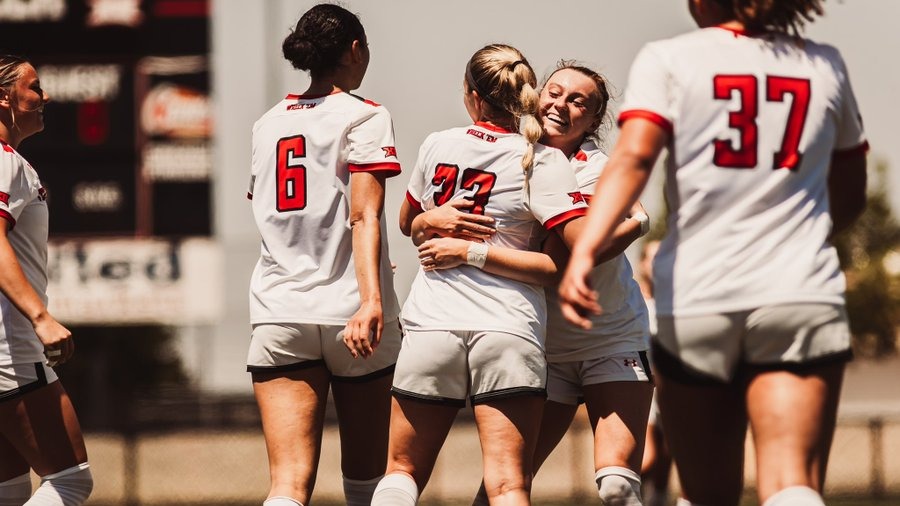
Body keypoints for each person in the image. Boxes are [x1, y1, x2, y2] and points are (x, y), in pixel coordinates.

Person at [559, 1, 868, 505]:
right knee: (793, 482)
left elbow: (634, 156)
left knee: (707, 494)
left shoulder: (669, 58)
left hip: (699, 296)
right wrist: (797, 239)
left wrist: (586, 248)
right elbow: (850, 194)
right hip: (798, 290)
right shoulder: (823, 62)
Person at [420, 62, 654, 505]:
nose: (560, 105)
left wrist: (470, 252)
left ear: (594, 120)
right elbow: (421, 218)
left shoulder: (596, 170)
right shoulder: (514, 156)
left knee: (619, 486)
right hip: (544, 345)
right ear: (534, 95)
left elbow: (565, 264)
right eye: (554, 92)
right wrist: (424, 222)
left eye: (578, 100)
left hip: (611, 338)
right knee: (504, 486)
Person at [371, 44, 589, 506]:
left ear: (472, 95)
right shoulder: (542, 159)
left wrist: (444, 231)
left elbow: (407, 221)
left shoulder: (437, 143)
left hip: (432, 322)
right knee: (509, 483)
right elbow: (560, 267)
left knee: (401, 472)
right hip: (508, 326)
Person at [245, 5, 402, 506]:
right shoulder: (365, 114)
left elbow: (287, 216)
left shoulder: (267, 123)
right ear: (354, 49)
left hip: (278, 309)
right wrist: (372, 297)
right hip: (349, 313)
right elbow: (363, 217)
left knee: (287, 485)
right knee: (367, 482)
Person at [0, 55, 93, 505]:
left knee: (10, 490)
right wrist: (40, 318)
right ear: (4, 98)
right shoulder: (5, 162)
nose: (45, 96)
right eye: (34, 87)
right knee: (71, 480)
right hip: (10, 352)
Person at [636, 239, 673, 506]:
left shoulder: (673, 307)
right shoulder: (636, 304)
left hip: (670, 390)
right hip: (643, 386)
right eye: (652, 257)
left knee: (667, 456)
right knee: (646, 456)